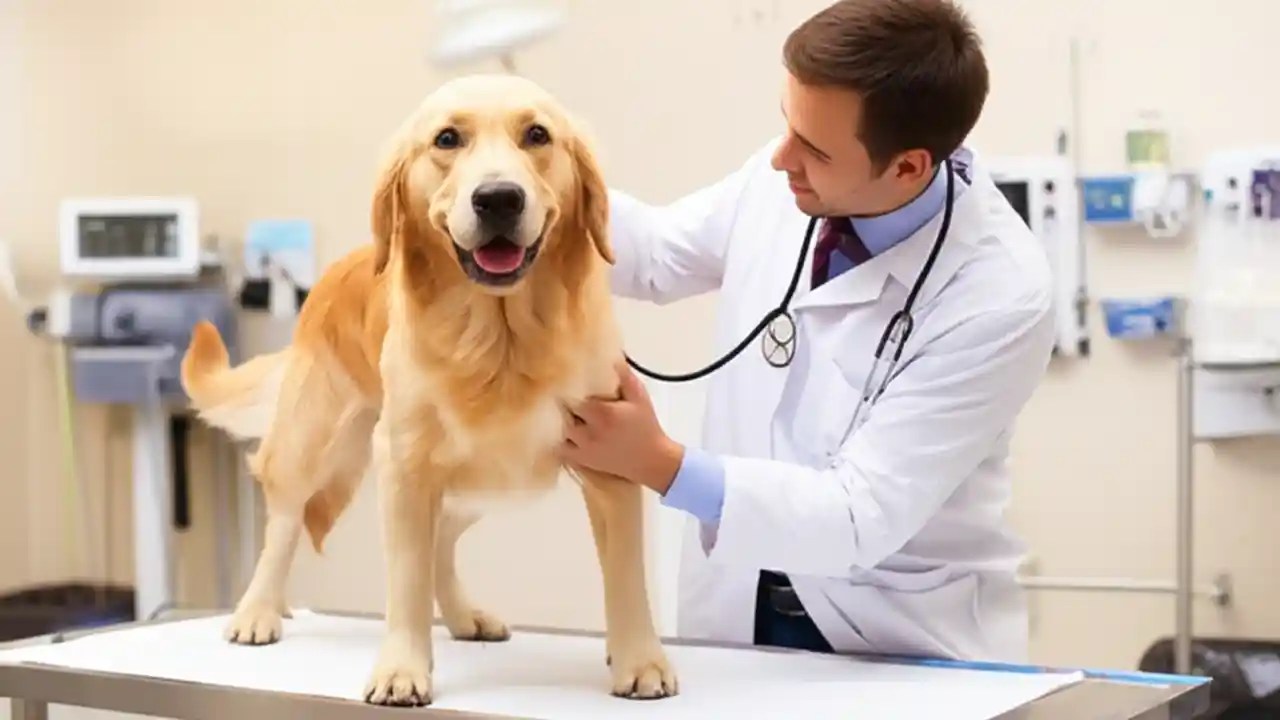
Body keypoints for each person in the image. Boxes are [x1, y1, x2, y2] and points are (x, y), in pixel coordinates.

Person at [560, 0, 1055, 663]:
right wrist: (542, 192)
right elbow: (654, 254)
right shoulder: (791, 180)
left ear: (908, 167)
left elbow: (858, 514)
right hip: (737, 608)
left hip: (891, 637)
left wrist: (657, 462)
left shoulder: (998, 294)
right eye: (787, 124)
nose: (780, 159)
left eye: (814, 149)